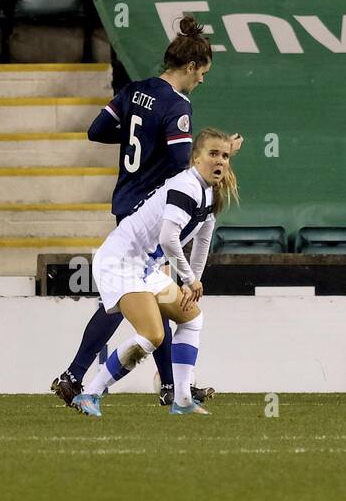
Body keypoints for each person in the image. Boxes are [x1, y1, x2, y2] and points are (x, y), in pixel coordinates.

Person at [50, 16, 241, 409]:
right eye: (202, 73)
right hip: (150, 210)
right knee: (129, 298)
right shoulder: (178, 106)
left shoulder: (134, 91)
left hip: (124, 198)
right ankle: (79, 376)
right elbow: (179, 162)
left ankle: (170, 385)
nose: (201, 80)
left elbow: (97, 130)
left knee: (144, 298)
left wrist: (140, 134)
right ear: (190, 67)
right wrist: (222, 154)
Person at [71, 128, 238, 416]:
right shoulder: (186, 186)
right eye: (213, 154)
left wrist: (194, 280)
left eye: (224, 155)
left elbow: (203, 241)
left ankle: (183, 399)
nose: (220, 161)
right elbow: (168, 239)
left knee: (192, 318)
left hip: (143, 266)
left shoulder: (209, 193)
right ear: (196, 159)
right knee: (152, 335)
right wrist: (187, 278)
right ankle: (89, 394)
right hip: (120, 262)